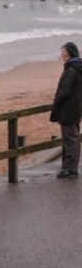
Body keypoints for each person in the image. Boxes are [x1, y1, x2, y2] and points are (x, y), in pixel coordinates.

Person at [52, 41, 81, 178]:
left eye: (63, 52)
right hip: (76, 108)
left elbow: (65, 91)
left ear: (70, 53)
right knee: (72, 137)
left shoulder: (71, 70)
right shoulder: (77, 67)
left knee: (70, 139)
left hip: (68, 109)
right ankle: (70, 167)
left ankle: (71, 169)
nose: (61, 54)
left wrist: (56, 102)